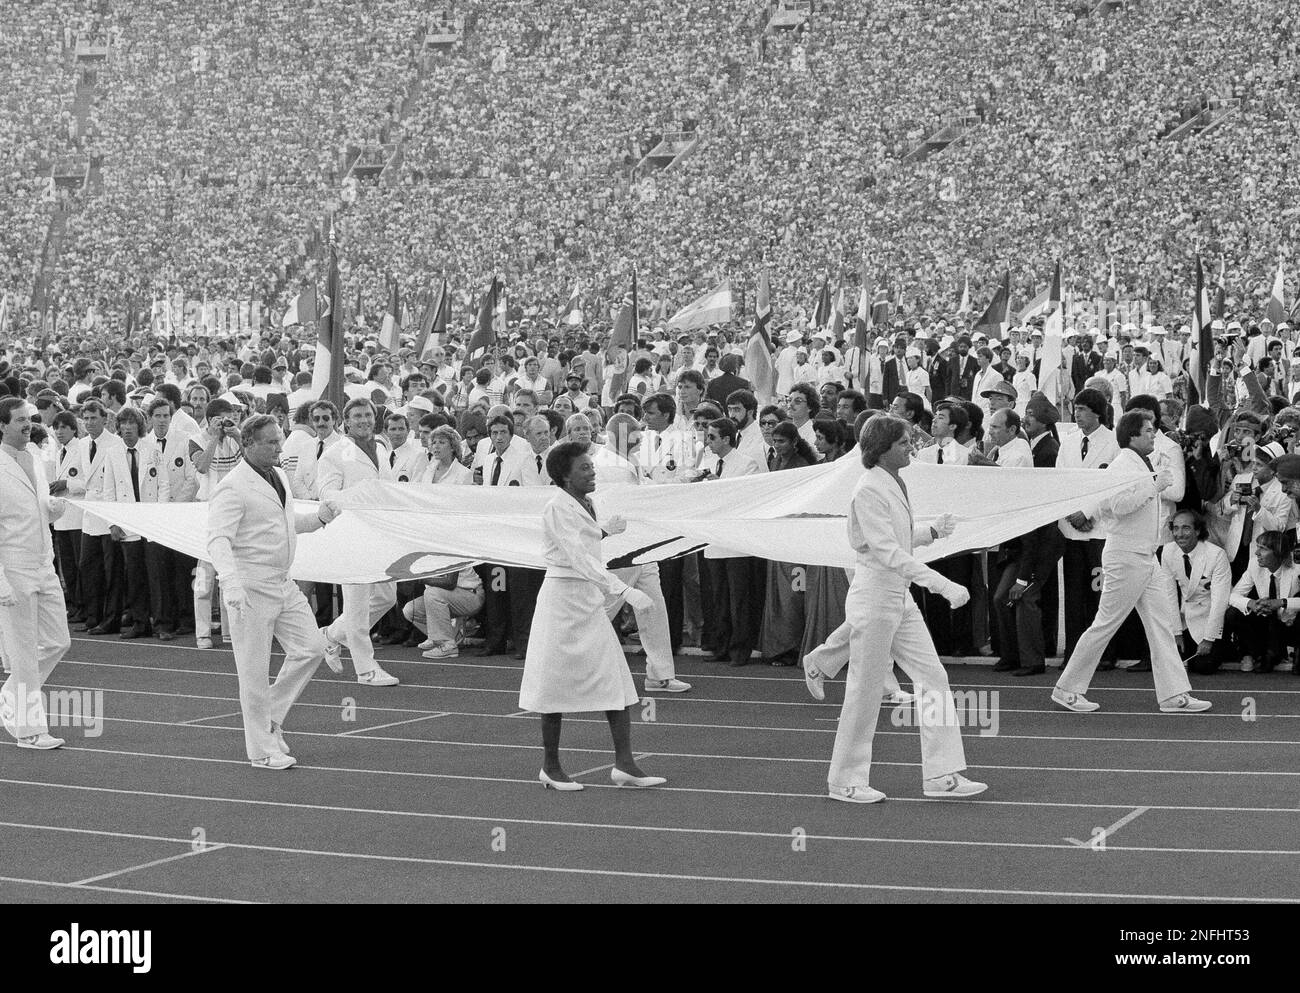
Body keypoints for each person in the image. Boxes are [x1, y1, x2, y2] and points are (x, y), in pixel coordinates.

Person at [826, 414, 987, 803]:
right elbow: (886, 551)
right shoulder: (868, 489)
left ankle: (941, 774)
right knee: (864, 692)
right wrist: (942, 583)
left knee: (934, 678)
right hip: (876, 598)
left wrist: (931, 532)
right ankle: (844, 780)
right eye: (902, 443)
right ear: (881, 450)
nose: (910, 447)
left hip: (898, 597)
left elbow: (895, 538)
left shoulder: (893, 482)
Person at [518, 441, 664, 791]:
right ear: (565, 476)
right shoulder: (556, 507)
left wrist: (604, 531)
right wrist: (623, 590)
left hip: (585, 599)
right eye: (584, 467)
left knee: (615, 677)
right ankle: (550, 767)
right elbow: (576, 557)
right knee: (553, 683)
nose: (592, 471)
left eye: (591, 466)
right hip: (562, 600)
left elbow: (582, 542)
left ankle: (625, 765)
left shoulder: (585, 502)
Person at [1052, 410, 1212, 714]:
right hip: (1126, 557)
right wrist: (1154, 486)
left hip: (1143, 556)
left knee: (1161, 624)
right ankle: (1067, 689)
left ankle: (1174, 695)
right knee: (1105, 623)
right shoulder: (1124, 464)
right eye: (1148, 431)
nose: (1154, 434)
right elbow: (1118, 504)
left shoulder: (1138, 463)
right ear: (1132, 436)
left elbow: (1104, 503)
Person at [207, 414, 341, 769]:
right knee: (253, 672)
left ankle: (271, 720)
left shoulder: (278, 475)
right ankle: (261, 751)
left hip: (283, 581)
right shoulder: (232, 486)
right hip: (249, 587)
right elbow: (218, 538)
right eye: (270, 442)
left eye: (279, 439)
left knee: (312, 648)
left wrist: (320, 519)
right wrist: (230, 581)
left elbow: (284, 520)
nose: (279, 447)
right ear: (248, 444)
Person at [0, 398, 71, 750]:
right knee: (24, 653)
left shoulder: (37, 459)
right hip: (13, 569)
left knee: (60, 640)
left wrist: (54, 510)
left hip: (45, 564)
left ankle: (11, 693)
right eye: (19, 421)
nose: (28, 425)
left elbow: (39, 514)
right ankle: (29, 732)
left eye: (29, 420)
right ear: (2, 426)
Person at [319, 399, 401, 686]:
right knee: (356, 605)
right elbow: (328, 494)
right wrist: (358, 505)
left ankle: (331, 635)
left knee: (386, 597)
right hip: (351, 536)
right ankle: (366, 669)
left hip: (381, 536)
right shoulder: (334, 454)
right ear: (346, 421)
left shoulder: (380, 448)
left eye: (368, 414)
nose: (364, 420)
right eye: (357, 416)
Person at [1160, 509, 1232, 675]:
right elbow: (1169, 595)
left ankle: (1225, 644)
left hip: (1211, 616)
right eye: (1175, 528)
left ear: (1198, 530)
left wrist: (1208, 639)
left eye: (1186, 528)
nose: (1179, 534)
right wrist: (1176, 634)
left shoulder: (1216, 555)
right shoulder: (1168, 551)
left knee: (1203, 667)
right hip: (1187, 617)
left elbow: (1220, 601)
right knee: (1174, 662)